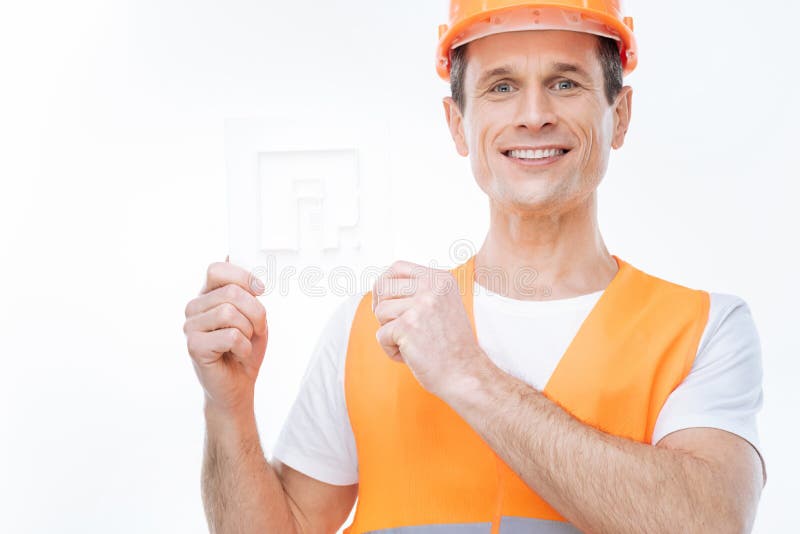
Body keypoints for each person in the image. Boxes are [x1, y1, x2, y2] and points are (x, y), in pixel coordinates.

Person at [183, 1, 766, 532]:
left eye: (565, 82)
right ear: (458, 124)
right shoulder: (372, 326)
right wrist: (228, 410)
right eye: (501, 86)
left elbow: (710, 522)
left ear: (622, 112)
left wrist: (469, 376)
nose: (533, 115)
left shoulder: (701, 330)